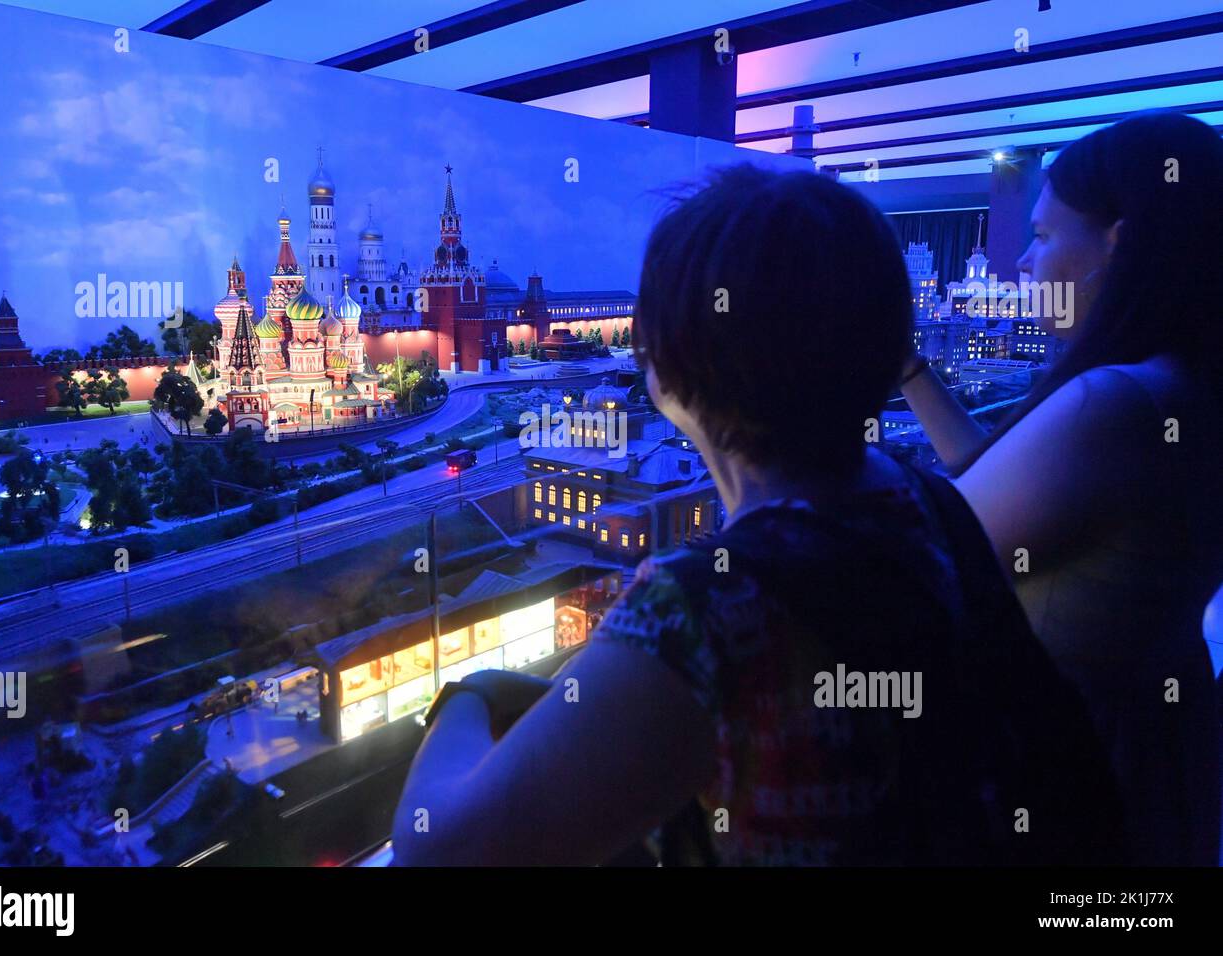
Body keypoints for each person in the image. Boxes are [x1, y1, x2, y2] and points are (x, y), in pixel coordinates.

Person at [390, 165, 1123, 866]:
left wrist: (468, 691)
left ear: (665, 371)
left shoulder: (704, 608)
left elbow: (442, 849)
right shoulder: (934, 510)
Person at [899, 112, 1223, 864]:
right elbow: (997, 490)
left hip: (1069, 758)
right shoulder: (1182, 388)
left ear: (1119, 244)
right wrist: (911, 372)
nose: (1020, 262)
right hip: (1154, 740)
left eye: (1043, 237)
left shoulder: (1115, 404)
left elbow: (934, 559)